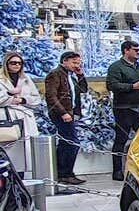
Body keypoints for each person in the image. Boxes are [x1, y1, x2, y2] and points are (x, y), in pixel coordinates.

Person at [105, 38, 139, 181]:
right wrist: (132, 87)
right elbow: (112, 85)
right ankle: (117, 171)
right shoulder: (116, 67)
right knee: (121, 140)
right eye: (135, 50)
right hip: (124, 109)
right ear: (126, 50)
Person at [44, 48, 89, 185]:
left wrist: (80, 75)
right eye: (74, 62)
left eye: (79, 62)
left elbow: (83, 90)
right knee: (71, 143)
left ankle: (65, 172)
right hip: (61, 114)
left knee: (67, 143)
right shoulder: (55, 74)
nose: (77, 65)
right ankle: (65, 173)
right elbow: (51, 96)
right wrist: (63, 112)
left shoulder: (70, 76)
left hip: (71, 112)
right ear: (64, 61)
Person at [0, 50, 42, 176]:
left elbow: (36, 98)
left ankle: (21, 179)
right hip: (6, 117)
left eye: (19, 63)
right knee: (7, 150)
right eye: (13, 63)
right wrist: (10, 98)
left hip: (25, 118)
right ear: (6, 64)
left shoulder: (26, 78)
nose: (16, 65)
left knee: (23, 153)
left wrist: (23, 100)